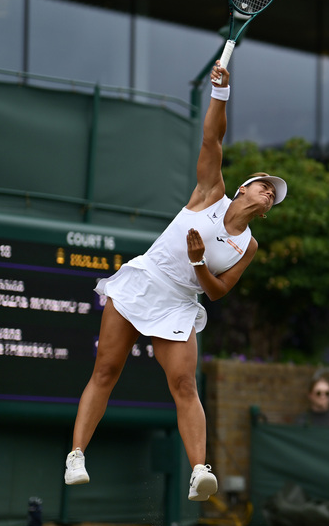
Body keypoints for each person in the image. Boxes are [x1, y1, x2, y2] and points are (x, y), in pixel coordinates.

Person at [64, 60, 285, 503]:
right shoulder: (209, 192)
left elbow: (218, 291)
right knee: (106, 371)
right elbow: (212, 137)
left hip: (180, 301)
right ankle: (76, 456)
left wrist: (200, 263)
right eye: (264, 186)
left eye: (273, 197)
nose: (269, 194)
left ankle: (199, 471)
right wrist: (220, 93)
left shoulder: (249, 247)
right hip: (144, 281)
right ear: (243, 189)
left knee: (185, 385)